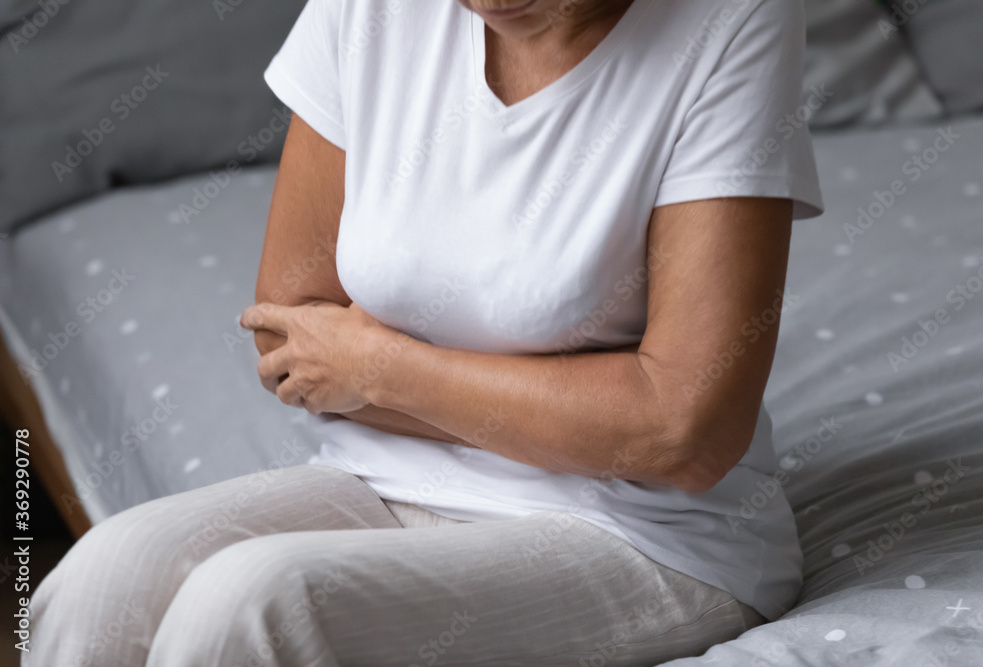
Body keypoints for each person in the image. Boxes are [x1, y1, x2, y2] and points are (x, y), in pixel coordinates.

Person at [24, 0, 824, 664]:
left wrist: (379, 366)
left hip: (641, 531)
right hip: (392, 479)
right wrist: (579, 404)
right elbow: (290, 338)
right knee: (105, 575)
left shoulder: (731, 21)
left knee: (254, 603)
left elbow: (685, 432)